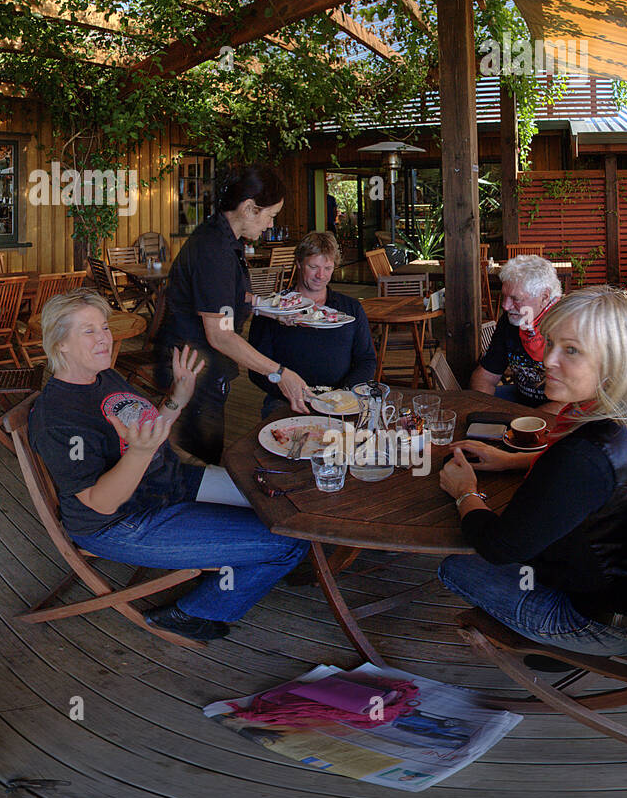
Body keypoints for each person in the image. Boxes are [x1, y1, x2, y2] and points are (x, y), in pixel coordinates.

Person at [435, 287, 627, 656]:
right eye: (550, 342)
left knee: (456, 566)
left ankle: (560, 649)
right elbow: (609, 484)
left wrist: (465, 492)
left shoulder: (583, 455)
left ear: (617, 361)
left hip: (613, 621)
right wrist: (510, 460)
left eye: (571, 350)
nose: (548, 360)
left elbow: (501, 546)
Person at [30, 287, 306, 642]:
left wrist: (177, 399)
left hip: (169, 483)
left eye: (104, 327)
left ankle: (228, 557)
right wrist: (141, 454)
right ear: (60, 343)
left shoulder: (102, 376)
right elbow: (101, 502)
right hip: (124, 522)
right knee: (289, 539)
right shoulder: (57, 418)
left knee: (284, 506)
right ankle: (193, 613)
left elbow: (147, 432)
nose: (103, 339)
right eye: (89, 331)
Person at [159, 167, 309, 464]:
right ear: (249, 208)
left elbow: (223, 297)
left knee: (204, 451)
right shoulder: (213, 250)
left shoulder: (224, 239)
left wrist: (271, 308)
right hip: (194, 370)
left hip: (204, 366)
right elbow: (219, 334)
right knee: (201, 459)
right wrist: (279, 373)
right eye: (270, 216)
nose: (270, 224)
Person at [245, 230, 373, 418]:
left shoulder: (350, 309)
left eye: (328, 268)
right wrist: (290, 391)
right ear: (298, 263)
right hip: (285, 400)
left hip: (340, 401)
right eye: (313, 267)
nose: (320, 275)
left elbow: (366, 359)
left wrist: (344, 393)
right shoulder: (272, 310)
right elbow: (256, 370)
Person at [476, 254, 567, 414]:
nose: (505, 306)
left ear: (544, 297)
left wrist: (525, 423)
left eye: (515, 299)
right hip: (520, 399)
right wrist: (484, 415)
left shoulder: (569, 326)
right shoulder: (511, 320)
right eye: (504, 296)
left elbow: (571, 404)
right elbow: (485, 377)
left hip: (562, 413)